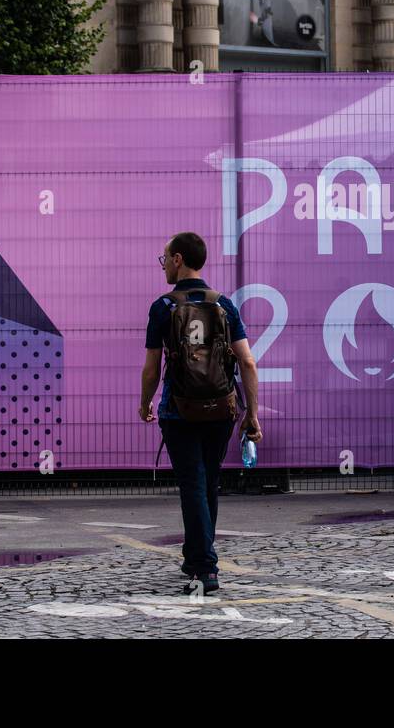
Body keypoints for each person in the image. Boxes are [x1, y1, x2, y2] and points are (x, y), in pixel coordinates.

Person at [140, 232, 261, 596]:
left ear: (178, 259)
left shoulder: (163, 307)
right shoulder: (224, 305)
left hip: (179, 410)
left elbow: (152, 368)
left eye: (165, 258)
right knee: (207, 482)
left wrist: (145, 402)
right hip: (221, 409)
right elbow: (247, 362)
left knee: (193, 484)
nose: (163, 265)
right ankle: (195, 556)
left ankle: (205, 568)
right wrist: (252, 414)